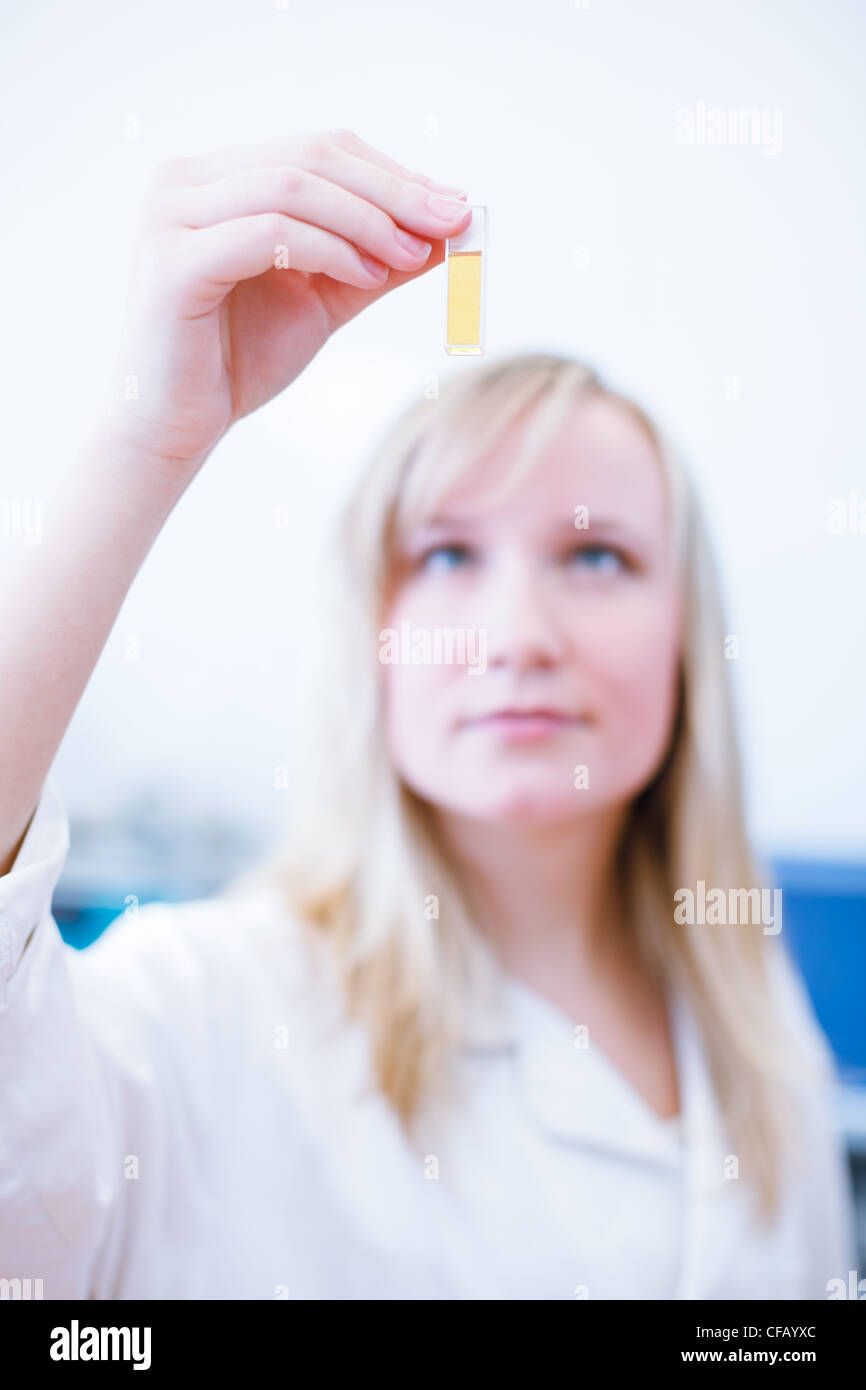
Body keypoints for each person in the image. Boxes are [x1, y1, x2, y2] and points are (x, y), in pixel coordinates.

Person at [0, 130, 856, 1301]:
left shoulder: (760, 1039)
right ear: (376, 649)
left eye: (597, 555)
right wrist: (144, 443)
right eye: (446, 553)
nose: (512, 633)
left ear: (683, 641)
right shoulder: (210, 1012)